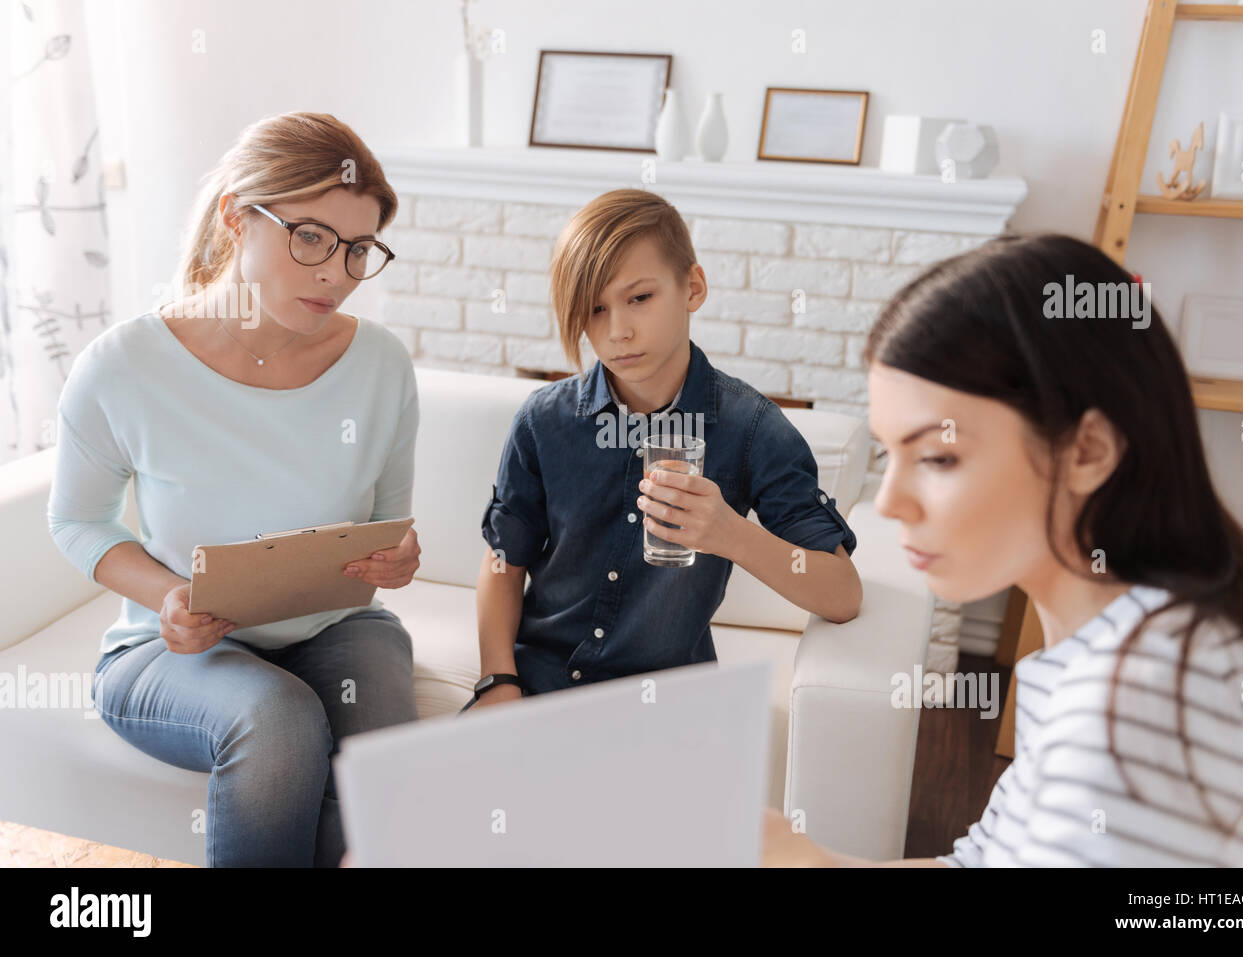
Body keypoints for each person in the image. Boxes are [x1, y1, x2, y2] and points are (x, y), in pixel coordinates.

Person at [763, 232, 1243, 867]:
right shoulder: (1108, 652)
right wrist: (805, 858)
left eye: (937, 457)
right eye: (890, 453)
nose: (890, 501)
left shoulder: (1145, 702)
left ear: (1087, 451)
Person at [47, 112, 421, 867]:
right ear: (236, 217)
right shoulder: (123, 366)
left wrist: (399, 558)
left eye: (358, 249)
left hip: (335, 628)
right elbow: (78, 522)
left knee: (383, 743)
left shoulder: (381, 365)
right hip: (169, 650)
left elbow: (388, 523)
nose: (336, 274)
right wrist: (169, 598)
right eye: (310, 237)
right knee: (278, 719)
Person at [468, 188, 861, 710]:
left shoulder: (751, 428)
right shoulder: (543, 422)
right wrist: (498, 681)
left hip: (666, 707)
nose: (618, 332)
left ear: (692, 288)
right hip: (539, 687)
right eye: (595, 309)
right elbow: (503, 562)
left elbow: (842, 595)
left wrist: (731, 535)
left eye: (640, 298)